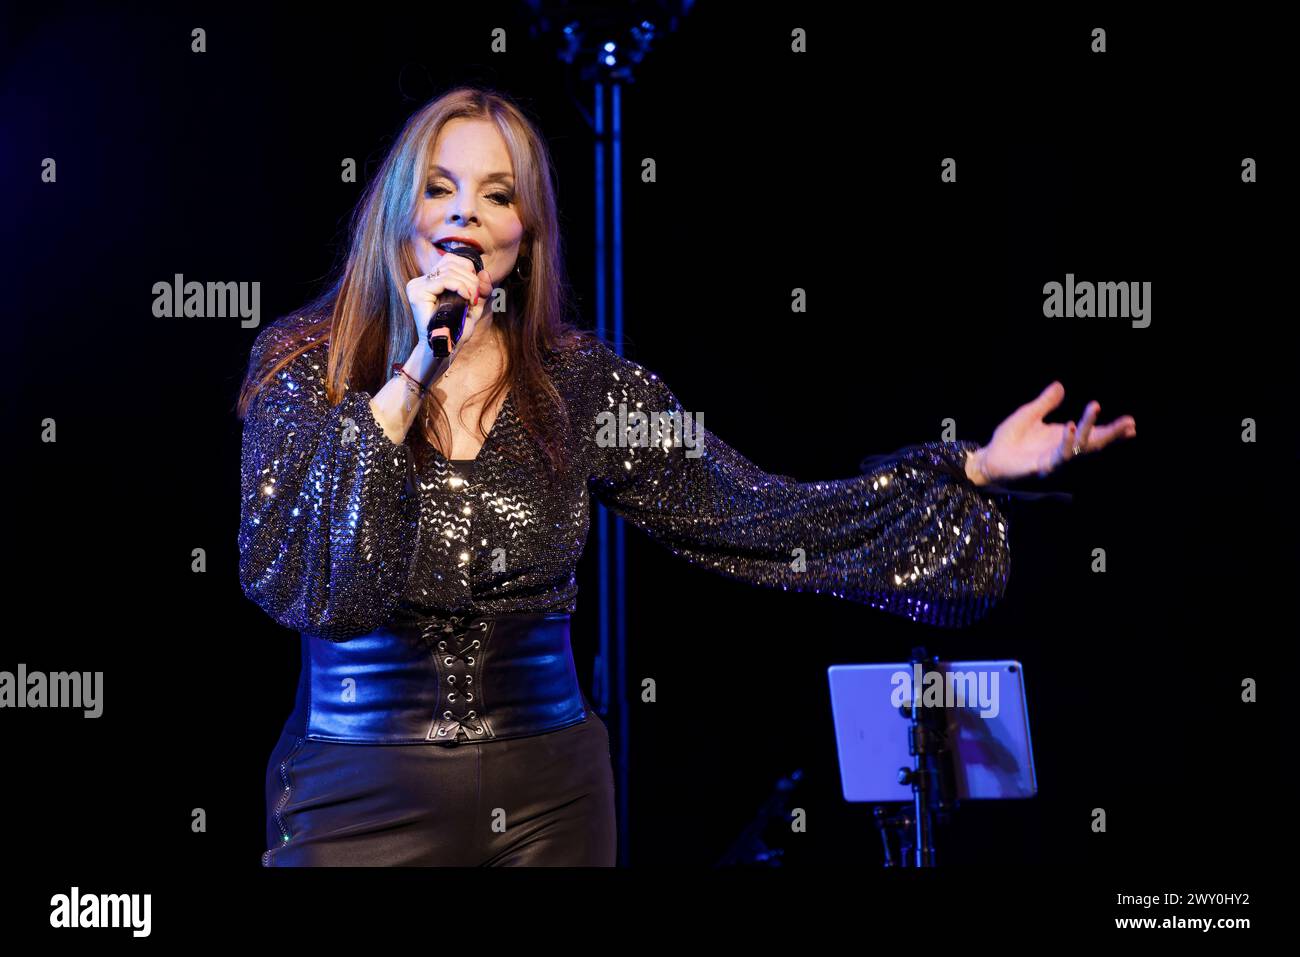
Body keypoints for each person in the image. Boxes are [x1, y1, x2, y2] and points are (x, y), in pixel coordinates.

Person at [236, 86, 1137, 867]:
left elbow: (754, 512)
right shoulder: (305, 365)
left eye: (498, 194)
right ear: (400, 208)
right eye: (441, 187)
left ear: (527, 233)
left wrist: (970, 464)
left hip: (551, 791)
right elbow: (305, 580)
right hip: (358, 785)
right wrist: (408, 378)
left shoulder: (581, 385)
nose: (466, 213)